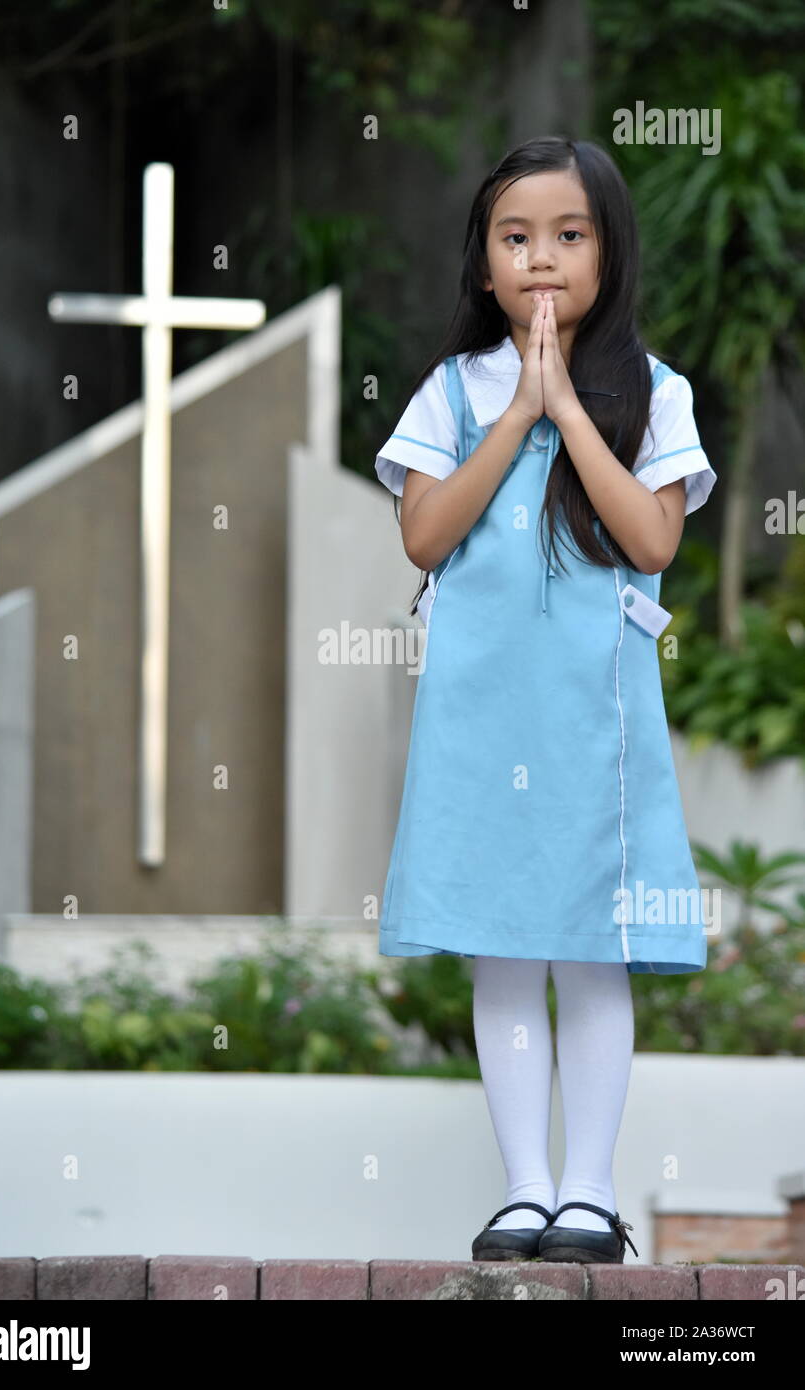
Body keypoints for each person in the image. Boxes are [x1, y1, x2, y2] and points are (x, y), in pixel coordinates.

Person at [373, 136, 717, 1264]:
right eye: (513, 238)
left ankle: (588, 1192)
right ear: (481, 264)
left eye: (567, 235)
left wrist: (569, 408)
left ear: (607, 254)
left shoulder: (651, 393)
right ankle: (523, 1188)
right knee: (501, 943)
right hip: (481, 718)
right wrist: (515, 409)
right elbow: (424, 532)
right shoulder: (452, 391)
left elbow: (651, 535)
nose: (539, 259)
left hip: (594, 722)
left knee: (591, 944)